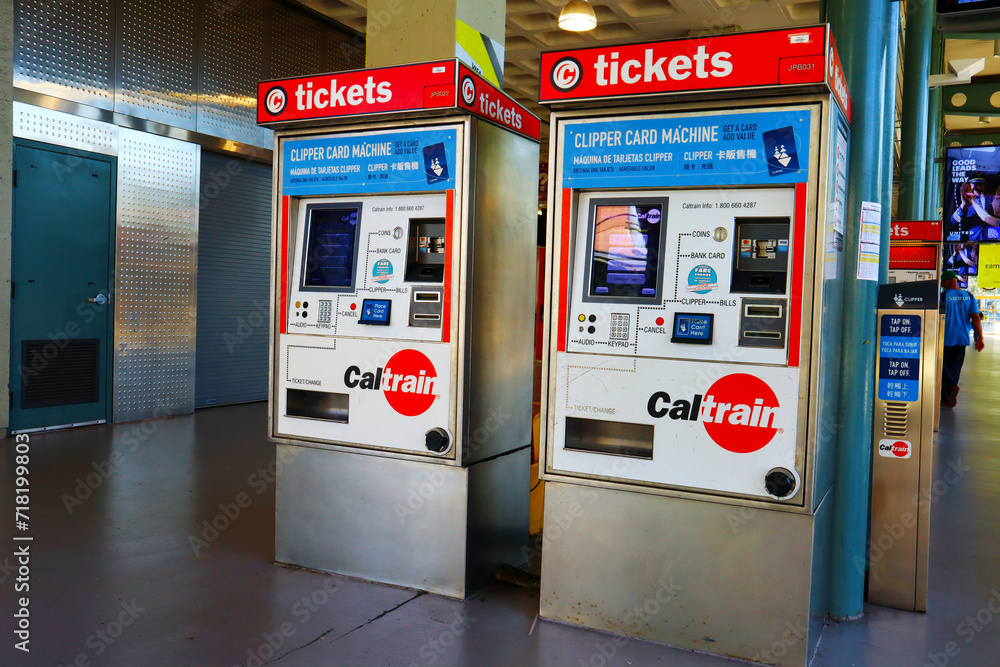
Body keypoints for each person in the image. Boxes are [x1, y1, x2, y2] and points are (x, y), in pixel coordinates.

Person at [941, 269, 985, 408]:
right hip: (962, 338)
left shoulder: (943, 296)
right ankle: (948, 397)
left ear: (947, 281)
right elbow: (976, 317)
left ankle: (950, 390)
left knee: (942, 366)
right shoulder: (969, 296)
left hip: (946, 337)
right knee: (955, 367)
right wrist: (980, 338)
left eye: (943, 281)